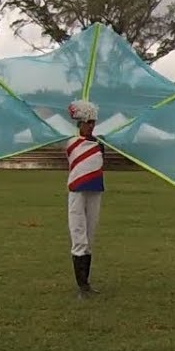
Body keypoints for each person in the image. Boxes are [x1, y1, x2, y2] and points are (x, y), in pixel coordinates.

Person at [66, 100, 104, 299]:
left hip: (95, 191)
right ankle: (82, 286)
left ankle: (86, 284)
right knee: (78, 235)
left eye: (93, 122)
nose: (91, 125)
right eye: (88, 122)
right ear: (80, 123)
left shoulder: (100, 143)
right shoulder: (70, 142)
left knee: (89, 236)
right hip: (77, 192)